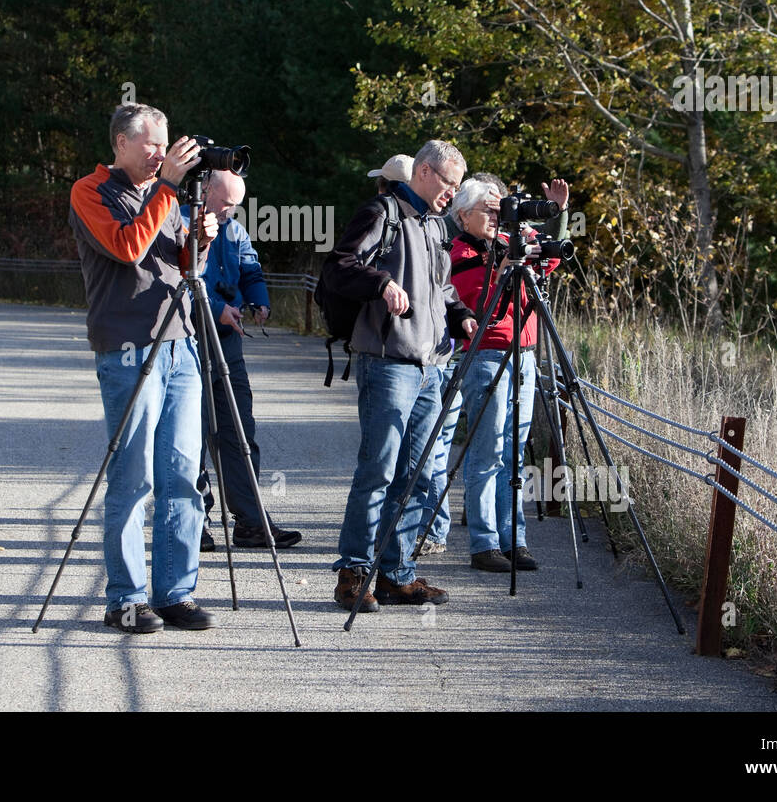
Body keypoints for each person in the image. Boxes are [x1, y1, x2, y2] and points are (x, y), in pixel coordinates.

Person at [68, 104, 220, 634]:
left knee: (182, 477)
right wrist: (170, 191)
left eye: (165, 144)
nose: (161, 153)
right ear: (121, 144)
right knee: (134, 479)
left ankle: (176, 592)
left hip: (181, 344)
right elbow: (127, 248)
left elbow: (187, 266)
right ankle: (126, 599)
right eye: (151, 144)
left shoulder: (167, 195)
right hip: (128, 348)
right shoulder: (90, 192)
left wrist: (198, 236)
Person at [328, 140, 478, 611]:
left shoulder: (435, 225)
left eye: (457, 187)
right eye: (449, 183)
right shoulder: (381, 212)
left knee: (415, 476)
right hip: (388, 363)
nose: (452, 195)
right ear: (425, 172)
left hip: (432, 365)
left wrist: (462, 316)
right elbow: (338, 268)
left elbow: (443, 288)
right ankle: (353, 574)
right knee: (378, 470)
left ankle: (396, 574)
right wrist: (382, 283)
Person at [449, 175, 568, 573]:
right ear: (464, 214)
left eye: (501, 211)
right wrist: (500, 268)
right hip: (487, 353)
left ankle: (513, 538)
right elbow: (476, 303)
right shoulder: (459, 250)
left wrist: (558, 216)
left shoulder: (507, 241)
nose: (498, 218)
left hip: (526, 352)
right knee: (488, 451)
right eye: (490, 211)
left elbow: (549, 260)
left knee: (515, 452)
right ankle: (484, 544)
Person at [181, 169, 301, 551]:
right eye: (226, 202)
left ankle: (250, 521)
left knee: (239, 430)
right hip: (189, 340)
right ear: (205, 192)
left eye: (237, 204)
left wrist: (259, 298)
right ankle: (193, 521)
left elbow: (250, 268)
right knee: (192, 435)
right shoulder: (180, 222)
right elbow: (179, 279)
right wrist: (216, 309)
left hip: (229, 343)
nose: (231, 210)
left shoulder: (235, 230)